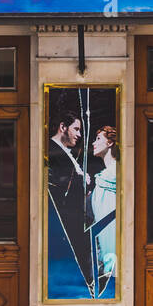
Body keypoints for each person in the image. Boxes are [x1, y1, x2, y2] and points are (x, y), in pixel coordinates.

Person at [47, 111, 93, 284]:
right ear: (63, 127)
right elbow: (57, 184)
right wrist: (83, 180)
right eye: (76, 129)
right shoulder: (52, 151)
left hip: (76, 216)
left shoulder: (64, 152)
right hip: (66, 218)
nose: (79, 135)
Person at [89, 125, 119, 293]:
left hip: (112, 244)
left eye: (98, 139)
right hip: (103, 243)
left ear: (110, 143)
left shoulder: (114, 174)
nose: (94, 143)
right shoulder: (105, 176)